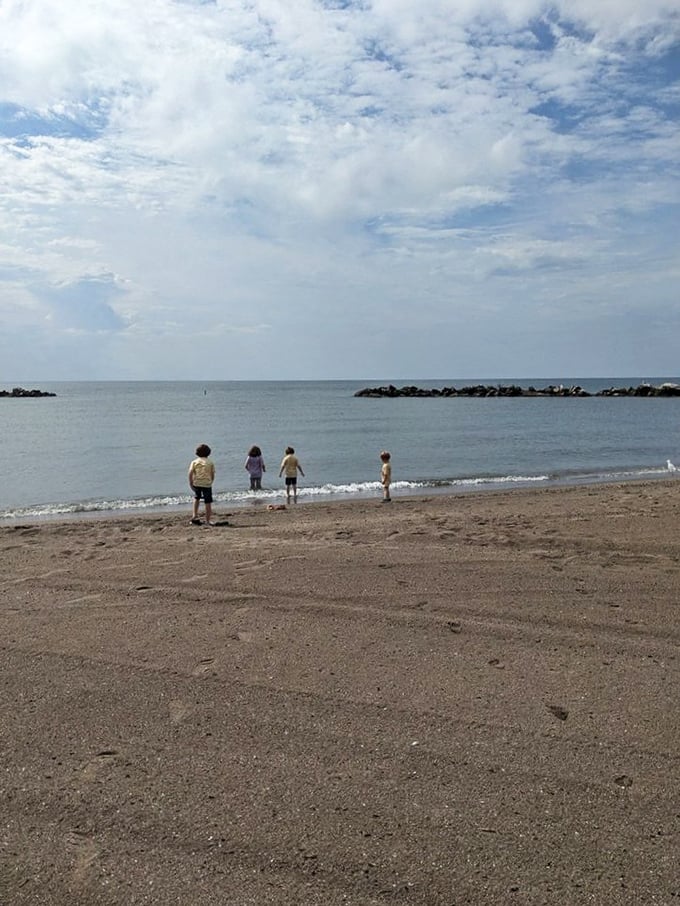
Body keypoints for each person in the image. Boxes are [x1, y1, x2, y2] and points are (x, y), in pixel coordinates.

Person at [188, 443, 216, 525]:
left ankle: (194, 515)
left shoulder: (194, 462)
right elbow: (212, 474)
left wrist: (191, 482)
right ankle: (207, 520)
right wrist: (211, 481)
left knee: (197, 498)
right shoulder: (210, 462)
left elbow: (190, 473)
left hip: (197, 483)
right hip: (207, 484)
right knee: (208, 502)